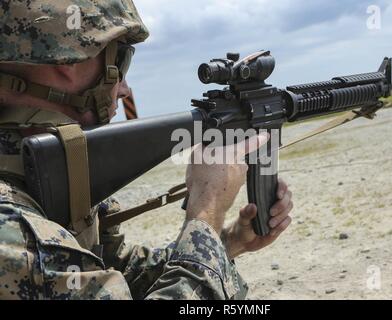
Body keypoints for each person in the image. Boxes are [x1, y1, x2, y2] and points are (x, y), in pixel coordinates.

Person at [0, 0, 293, 299]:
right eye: (120, 62)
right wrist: (207, 210)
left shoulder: (35, 178)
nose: (124, 88)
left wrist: (228, 240)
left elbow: (117, 276)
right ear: (69, 62)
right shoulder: (12, 235)